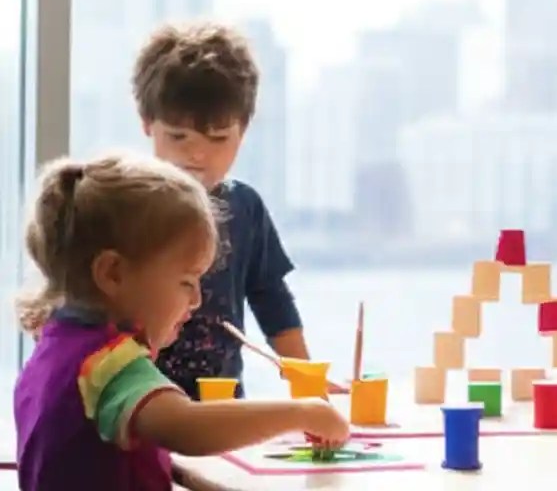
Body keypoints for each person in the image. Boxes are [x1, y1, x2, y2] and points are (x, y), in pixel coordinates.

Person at [13, 153, 348, 491]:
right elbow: (186, 426)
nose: (197, 300)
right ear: (113, 273)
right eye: (186, 281)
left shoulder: (56, 346)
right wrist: (303, 412)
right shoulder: (108, 368)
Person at [131, 21, 324, 399]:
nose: (197, 154)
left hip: (223, 408)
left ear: (244, 131)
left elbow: (272, 299)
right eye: (178, 136)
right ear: (147, 124)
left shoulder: (244, 208)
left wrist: (309, 390)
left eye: (218, 138)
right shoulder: (126, 206)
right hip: (139, 406)